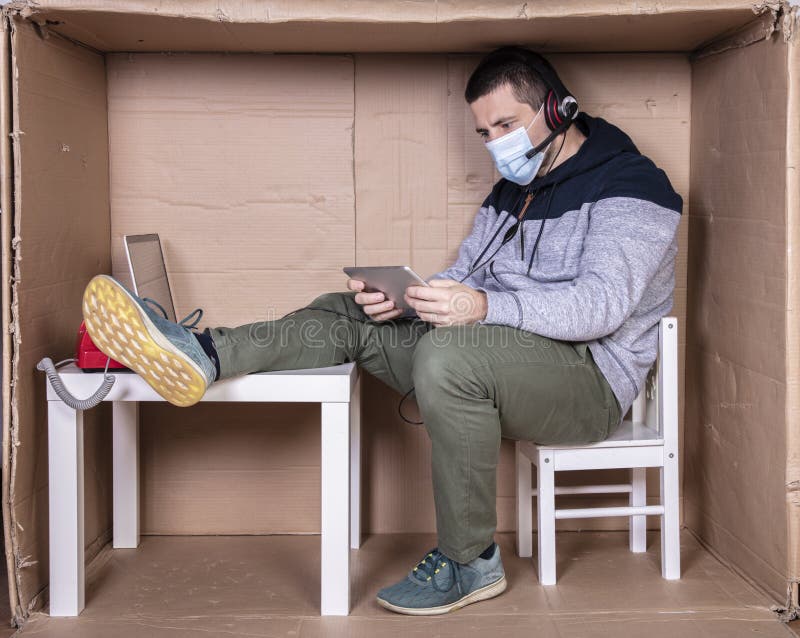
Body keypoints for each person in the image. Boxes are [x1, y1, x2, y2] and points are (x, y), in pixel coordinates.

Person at [81, 46, 682, 616]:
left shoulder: (632, 186)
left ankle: (471, 561)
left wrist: (478, 309)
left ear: (557, 109)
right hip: (499, 352)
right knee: (347, 312)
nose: (495, 144)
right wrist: (412, 300)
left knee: (453, 359)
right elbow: (469, 274)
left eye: (506, 125)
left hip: (588, 382)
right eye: (483, 133)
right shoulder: (513, 192)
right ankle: (203, 354)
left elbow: (601, 306)